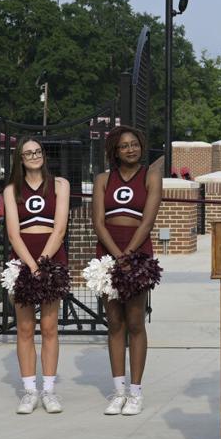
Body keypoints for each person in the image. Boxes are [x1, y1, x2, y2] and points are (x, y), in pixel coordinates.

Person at [91, 127, 164, 416]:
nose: (131, 149)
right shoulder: (102, 179)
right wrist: (116, 255)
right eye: (124, 146)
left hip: (138, 253)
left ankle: (135, 392)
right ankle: (118, 391)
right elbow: (98, 221)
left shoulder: (151, 177)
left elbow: (147, 220)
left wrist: (129, 255)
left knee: (135, 322)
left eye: (135, 144)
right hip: (108, 253)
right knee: (114, 322)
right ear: (115, 151)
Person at [3, 137, 71, 415]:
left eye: (38, 151)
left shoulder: (60, 185)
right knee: (25, 328)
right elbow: (12, 232)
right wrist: (30, 266)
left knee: (50, 327)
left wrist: (42, 263)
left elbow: (60, 228)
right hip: (22, 259)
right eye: (28, 152)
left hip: (51, 258)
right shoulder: (11, 190)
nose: (34, 156)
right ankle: (30, 390)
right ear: (20, 158)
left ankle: (49, 390)